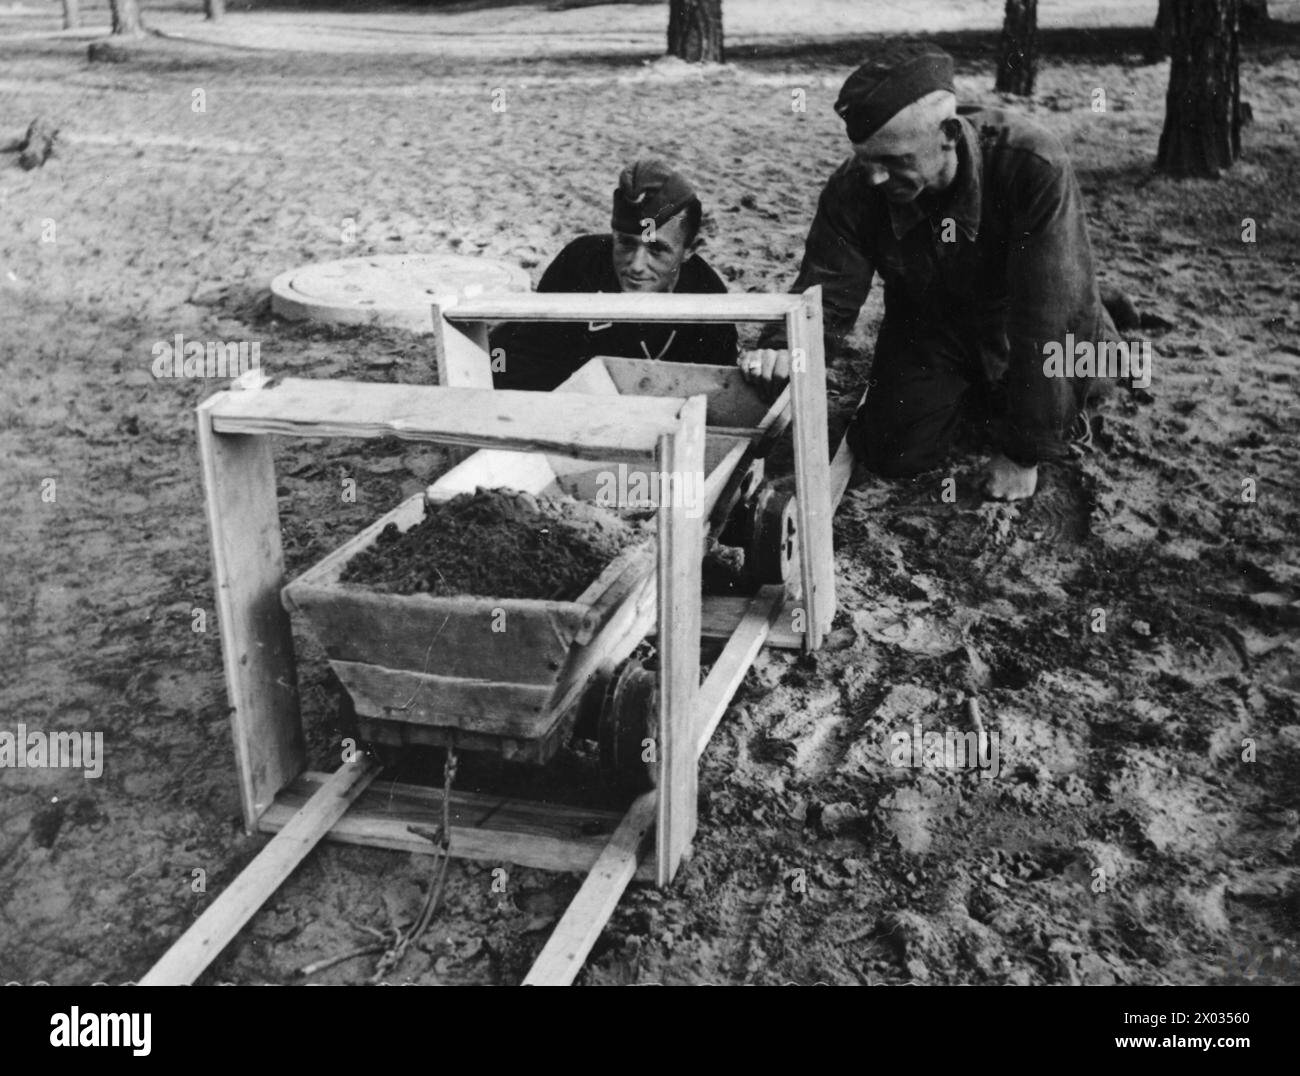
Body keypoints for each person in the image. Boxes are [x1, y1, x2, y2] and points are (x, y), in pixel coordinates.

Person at [740, 44, 1133, 501]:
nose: (874, 178)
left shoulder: (1030, 164)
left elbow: (1053, 315)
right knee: (891, 452)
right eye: (867, 159)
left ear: (948, 133)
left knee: (1093, 381)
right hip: (929, 325)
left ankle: (1102, 314)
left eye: (893, 161)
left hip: (1021, 317)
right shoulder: (854, 188)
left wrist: (1025, 453)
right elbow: (826, 293)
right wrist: (784, 349)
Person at [490, 159, 739, 391]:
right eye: (626, 244)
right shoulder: (580, 262)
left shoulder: (708, 298)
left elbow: (718, 391)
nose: (637, 266)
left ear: (690, 249)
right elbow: (526, 352)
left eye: (656, 249)